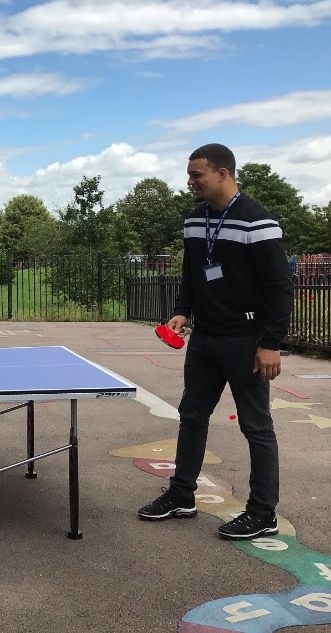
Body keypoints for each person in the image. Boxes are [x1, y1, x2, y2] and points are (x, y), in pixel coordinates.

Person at [138, 143, 293, 540]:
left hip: (246, 339)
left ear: (223, 173)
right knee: (191, 416)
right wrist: (182, 310)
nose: (190, 182)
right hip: (205, 337)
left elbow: (279, 287)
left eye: (196, 175)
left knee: (256, 426)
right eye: (190, 175)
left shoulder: (258, 222)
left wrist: (270, 343)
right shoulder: (195, 220)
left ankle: (263, 513)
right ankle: (182, 495)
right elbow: (193, 273)